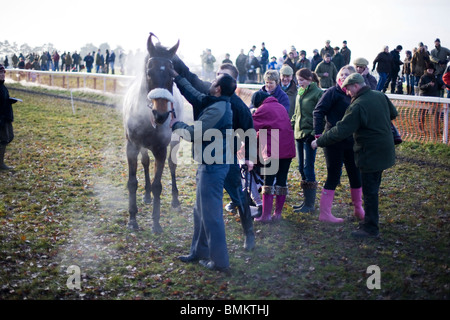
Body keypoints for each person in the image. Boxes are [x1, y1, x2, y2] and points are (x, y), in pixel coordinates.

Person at [171, 57, 256, 251]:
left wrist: (249, 157)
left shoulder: (240, 107)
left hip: (226, 159)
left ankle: (248, 233)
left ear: (231, 84)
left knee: (238, 196)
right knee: (202, 203)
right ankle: (200, 247)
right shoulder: (208, 92)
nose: (217, 79)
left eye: (223, 77)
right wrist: (173, 57)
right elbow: (189, 79)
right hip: (206, 158)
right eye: (217, 75)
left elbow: (249, 131)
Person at [311, 72, 398, 238]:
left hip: (369, 152)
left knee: (370, 191)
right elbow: (393, 114)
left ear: (356, 86)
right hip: (385, 150)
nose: (347, 93)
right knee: (374, 186)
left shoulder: (357, 105)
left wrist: (319, 141)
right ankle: (369, 220)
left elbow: (341, 130)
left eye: (349, 89)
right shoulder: (380, 95)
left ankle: (370, 228)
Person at [170, 73, 235, 273]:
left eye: (214, 82)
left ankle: (220, 262)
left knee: (212, 215)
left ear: (218, 89)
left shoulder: (217, 109)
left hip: (213, 166)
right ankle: (199, 251)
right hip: (208, 164)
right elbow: (196, 97)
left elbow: (193, 133)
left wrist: (176, 125)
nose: (210, 83)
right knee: (200, 211)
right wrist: (178, 79)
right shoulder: (215, 102)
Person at [313, 65, 364, 223]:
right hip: (333, 141)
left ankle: (358, 209)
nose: (343, 77)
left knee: (355, 174)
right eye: (341, 74)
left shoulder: (356, 95)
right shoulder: (332, 93)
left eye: (347, 74)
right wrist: (319, 134)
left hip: (352, 141)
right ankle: (325, 213)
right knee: (334, 175)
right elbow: (318, 111)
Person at [251, 91, 296, 223]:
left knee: (268, 181)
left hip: (273, 149)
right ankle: (278, 214)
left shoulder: (263, 108)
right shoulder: (280, 106)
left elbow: (251, 126)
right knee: (282, 181)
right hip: (287, 149)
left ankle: (266, 215)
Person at [291, 68, 323, 213]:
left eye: (302, 80)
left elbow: (320, 115)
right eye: (298, 80)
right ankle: (305, 201)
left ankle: (310, 204)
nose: (300, 83)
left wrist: (314, 133)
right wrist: (291, 125)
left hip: (309, 135)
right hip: (298, 134)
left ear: (310, 79)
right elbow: (297, 113)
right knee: (300, 168)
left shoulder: (318, 93)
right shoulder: (300, 93)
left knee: (308, 167)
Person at [0, 64, 18, 170]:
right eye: (0, 73)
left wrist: (10, 101)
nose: (2, 75)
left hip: (6, 117)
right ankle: (1, 164)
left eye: (3, 73)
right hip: (2, 117)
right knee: (4, 139)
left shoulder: (2, 86)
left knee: (9, 137)